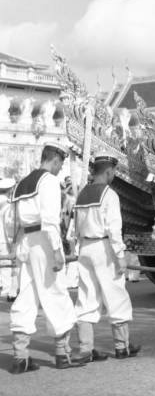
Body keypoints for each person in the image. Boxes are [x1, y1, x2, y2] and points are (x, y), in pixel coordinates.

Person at [7, 139, 81, 373]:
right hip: (43, 242)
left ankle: (21, 357)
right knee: (56, 293)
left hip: (25, 242)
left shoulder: (22, 183)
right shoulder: (48, 181)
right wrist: (58, 252)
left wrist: (14, 245)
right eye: (60, 164)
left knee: (26, 296)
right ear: (56, 159)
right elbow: (50, 221)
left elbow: (10, 221)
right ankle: (62, 354)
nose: (60, 169)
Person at [71, 155, 139, 362]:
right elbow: (114, 228)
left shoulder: (82, 194)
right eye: (113, 172)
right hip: (104, 247)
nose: (114, 175)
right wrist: (120, 255)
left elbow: (74, 227)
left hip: (85, 247)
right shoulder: (109, 194)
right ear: (108, 171)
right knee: (115, 293)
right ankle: (121, 346)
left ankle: (86, 348)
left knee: (86, 295)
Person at [0, 176, 16, 299]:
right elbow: (9, 224)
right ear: (10, 189)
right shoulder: (7, 204)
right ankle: (6, 289)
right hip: (3, 239)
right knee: (6, 265)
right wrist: (12, 240)